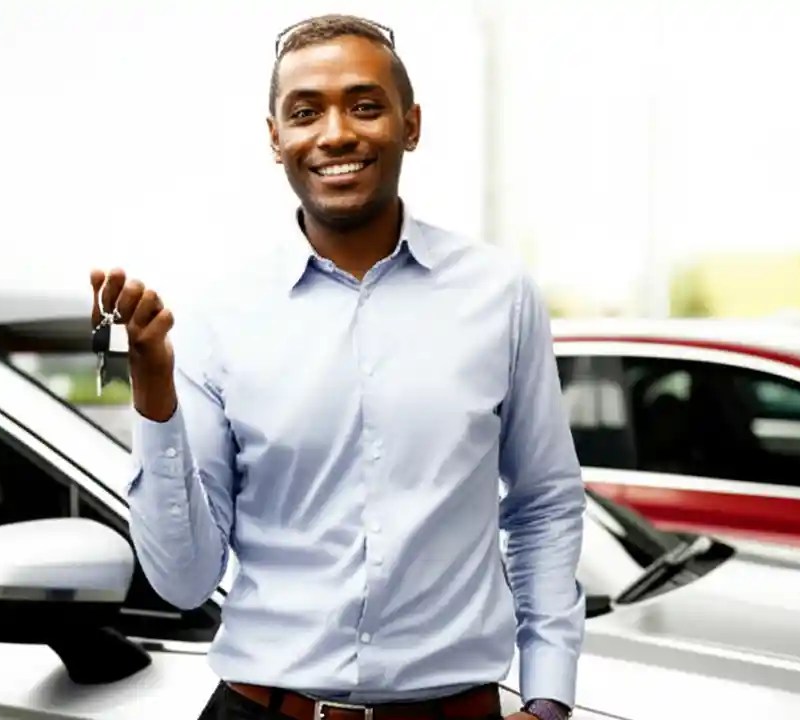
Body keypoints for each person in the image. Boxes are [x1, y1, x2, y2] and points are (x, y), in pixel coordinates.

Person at [90, 13, 585, 720]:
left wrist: (548, 695)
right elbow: (184, 580)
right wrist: (154, 392)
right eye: (304, 112)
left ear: (410, 124)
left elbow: (544, 503)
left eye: (364, 105)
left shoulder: (498, 295)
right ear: (275, 140)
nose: (335, 134)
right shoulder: (222, 316)